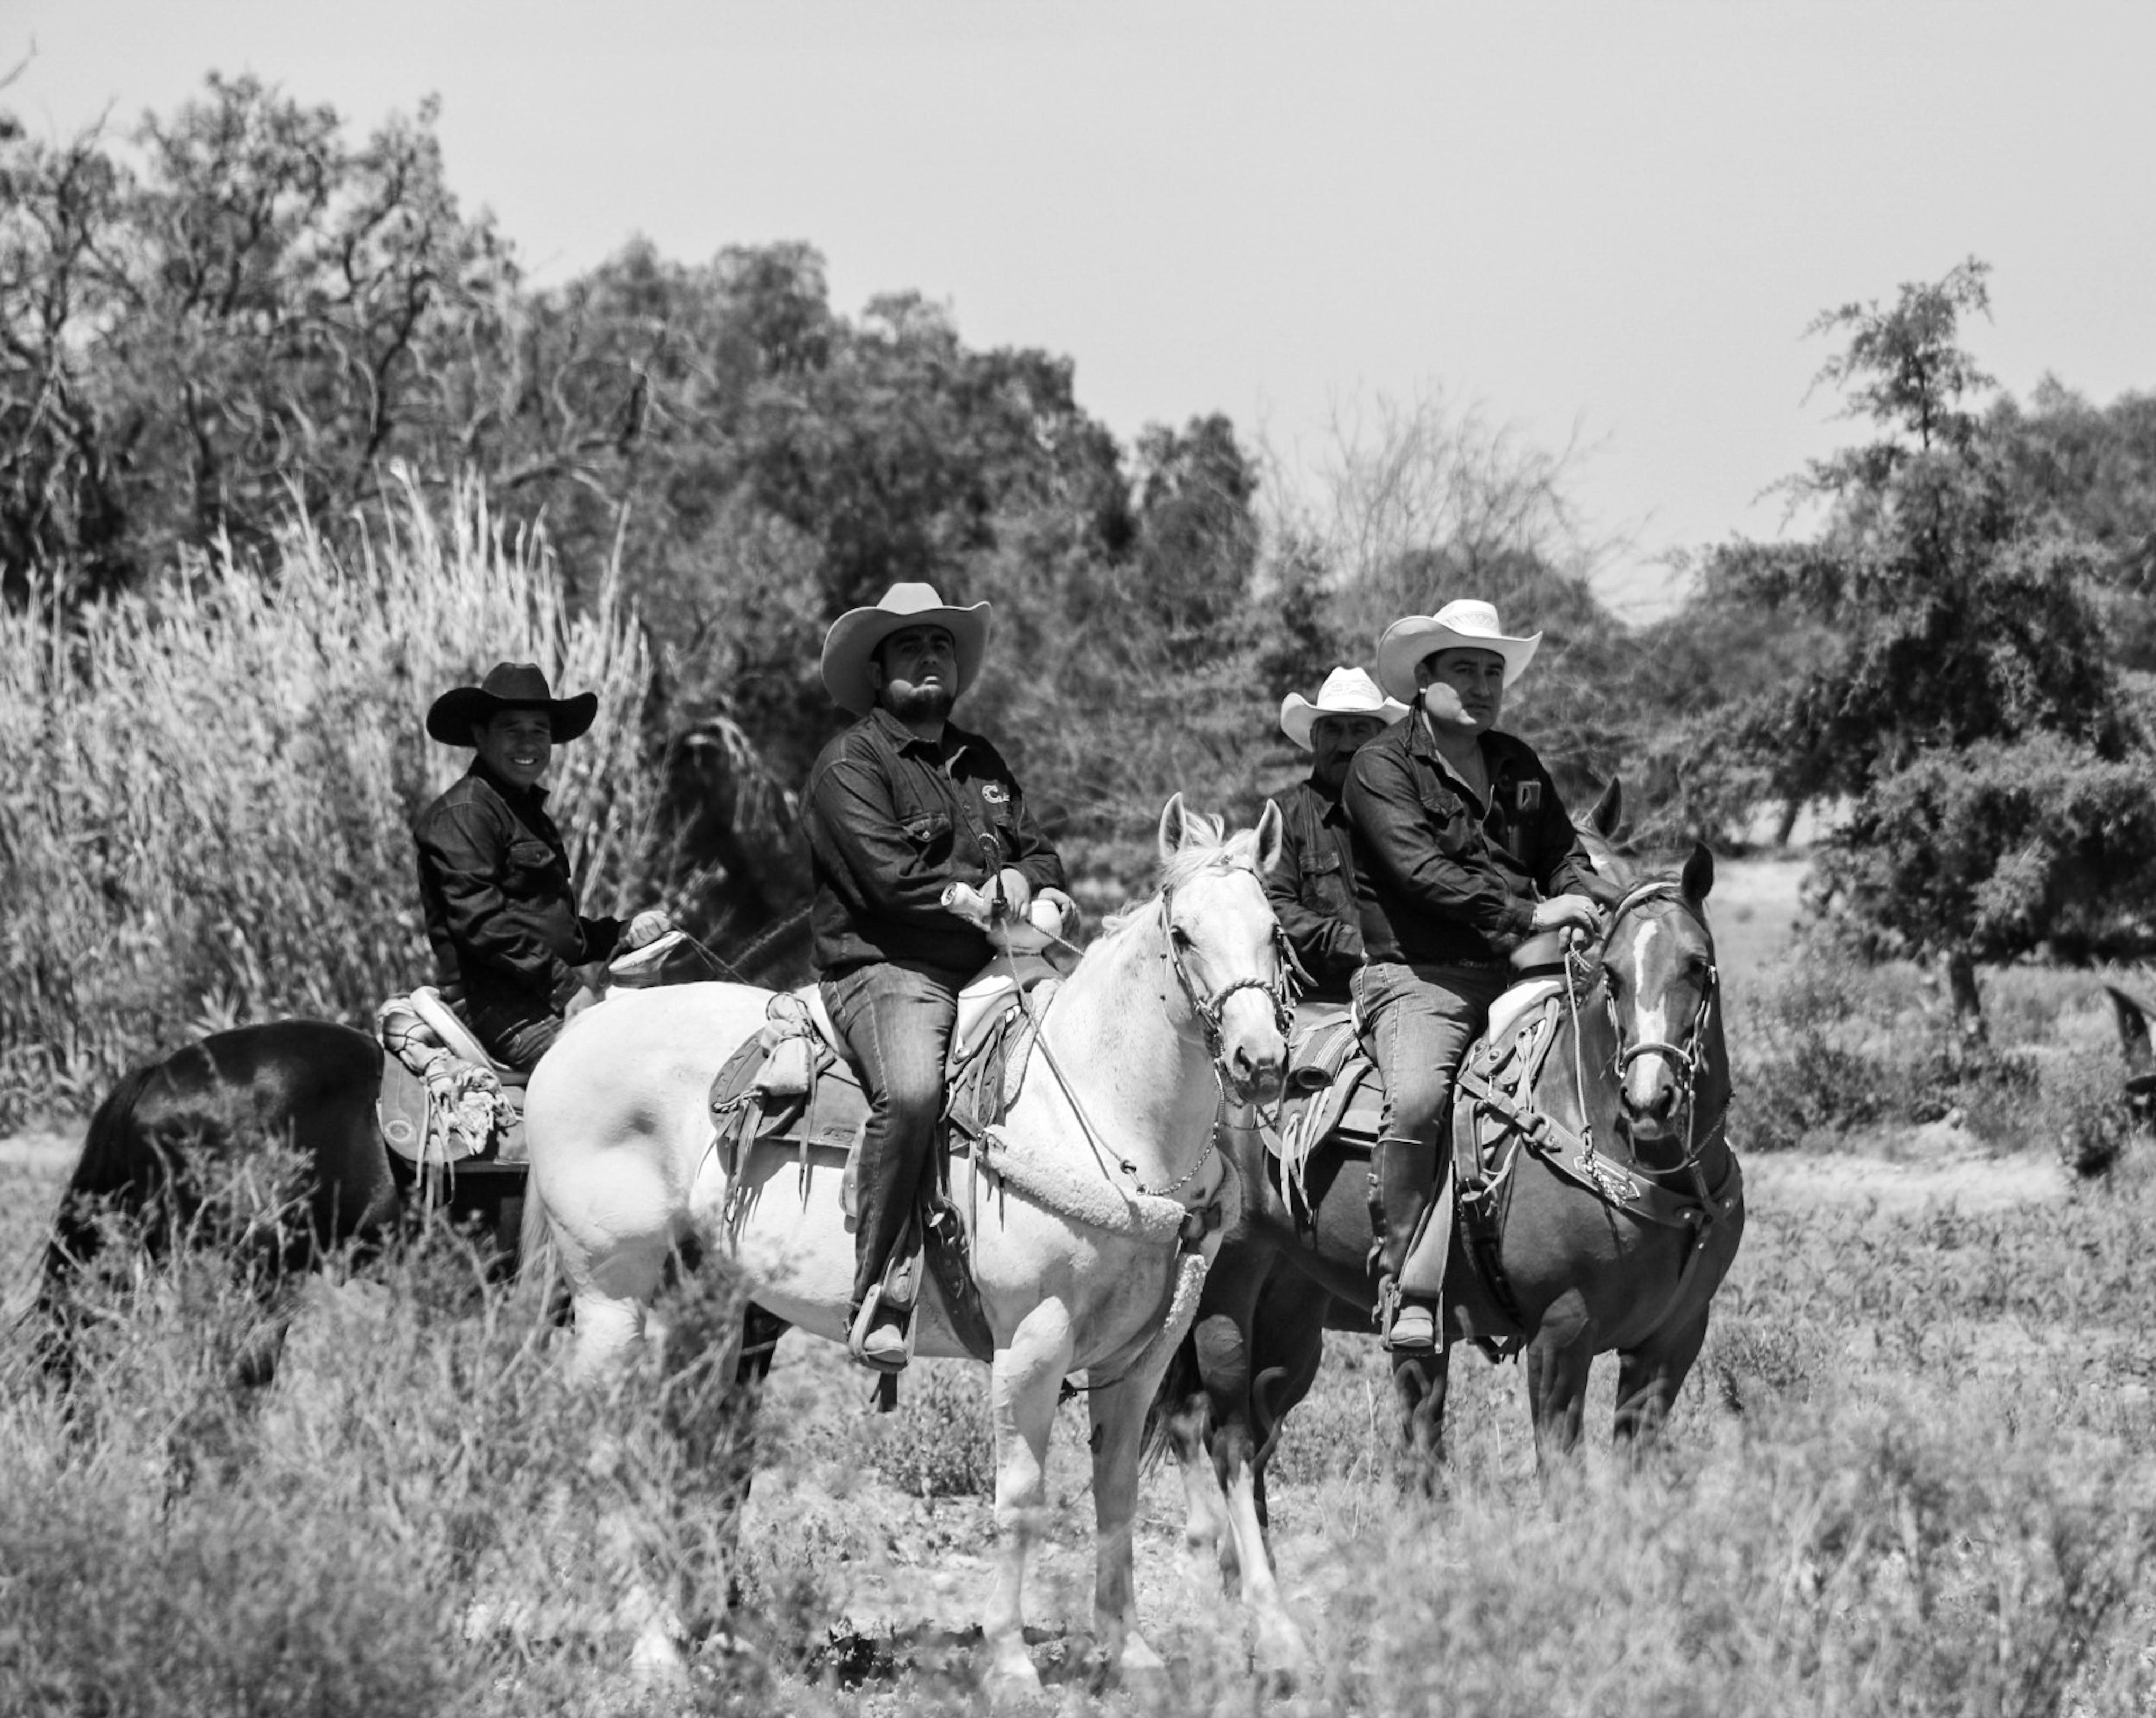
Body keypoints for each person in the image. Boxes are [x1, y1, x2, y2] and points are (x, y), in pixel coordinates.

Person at [804, 581, 1074, 1372]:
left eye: (942, 644)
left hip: (993, 965)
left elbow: (1041, 849)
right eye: (912, 645)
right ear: (878, 666)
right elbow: (889, 882)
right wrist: (989, 902)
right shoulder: (849, 764)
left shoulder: (981, 761)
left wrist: (1031, 882)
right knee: (915, 1092)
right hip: (889, 968)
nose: (931, 657)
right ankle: (882, 1290)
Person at [1343, 600, 1615, 1352]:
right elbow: (1422, 874)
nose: (1484, 684)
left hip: (1519, 969)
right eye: (1464, 668)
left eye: (1493, 670)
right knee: (1421, 1100)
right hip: (1417, 976)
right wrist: (1534, 914)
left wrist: (1598, 896)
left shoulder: (1518, 762)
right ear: (1423, 681)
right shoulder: (1380, 767)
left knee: (1613, 1059)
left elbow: (1563, 855)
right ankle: (1402, 1276)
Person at [414, 661, 671, 1073]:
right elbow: (482, 925)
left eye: (540, 731)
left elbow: (552, 927)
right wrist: (567, 989)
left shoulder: (522, 810)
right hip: (497, 1006)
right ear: (480, 736)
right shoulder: (464, 813)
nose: (528, 743)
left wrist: (624, 933)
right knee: (614, 1074)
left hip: (536, 993)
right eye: (512, 730)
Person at [1267, 667, 1408, 1008]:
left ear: (1382, 740)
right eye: (1333, 729)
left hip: (1406, 990)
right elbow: (1274, 906)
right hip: (1319, 1000)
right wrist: (1356, 943)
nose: (1346, 744)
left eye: (1359, 729)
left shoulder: (1410, 811)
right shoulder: (1286, 815)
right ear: (1314, 739)